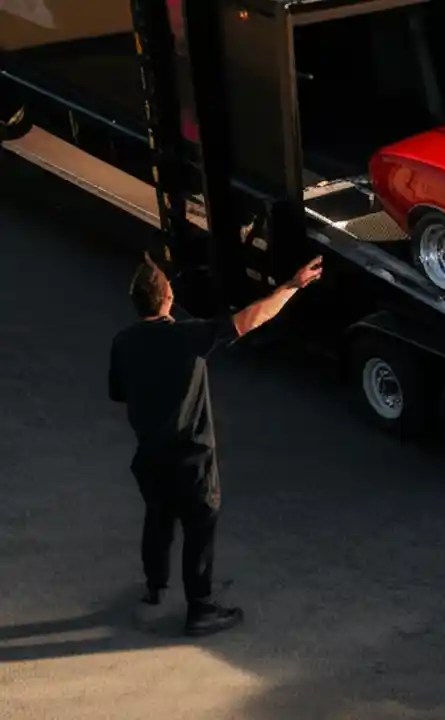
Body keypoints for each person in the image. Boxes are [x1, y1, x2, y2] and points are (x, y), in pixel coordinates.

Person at [109, 253, 324, 636]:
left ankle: (155, 589)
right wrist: (292, 285)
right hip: (191, 458)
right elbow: (252, 317)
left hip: (149, 456)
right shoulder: (188, 336)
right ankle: (200, 609)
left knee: (157, 518)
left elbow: (119, 393)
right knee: (198, 529)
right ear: (167, 299)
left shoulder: (123, 342)